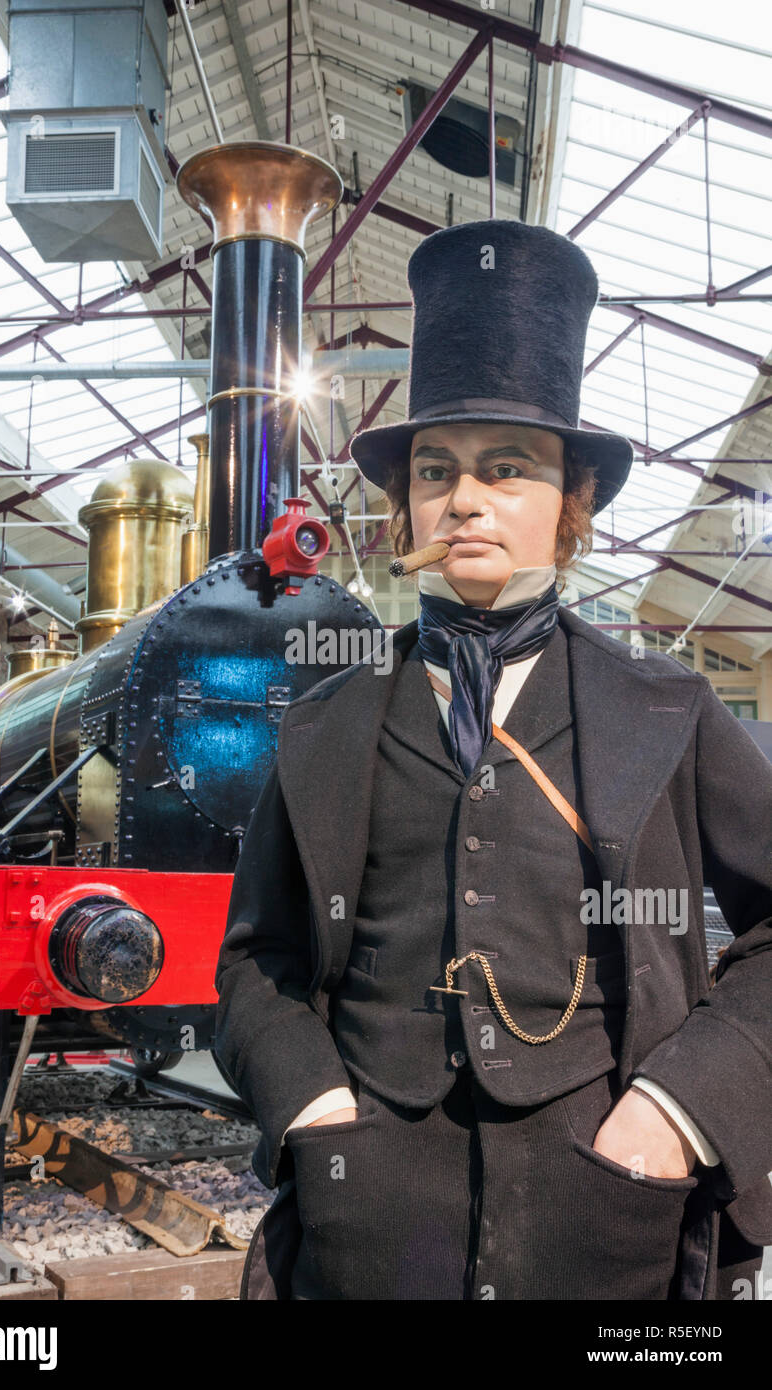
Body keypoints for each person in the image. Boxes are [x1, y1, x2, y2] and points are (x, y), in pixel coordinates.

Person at [214, 220, 772, 1300]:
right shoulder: (326, 722)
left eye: (505, 469)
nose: (463, 498)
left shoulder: (670, 708)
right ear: (406, 507)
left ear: (568, 507)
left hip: (606, 1218)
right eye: (436, 470)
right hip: (363, 1228)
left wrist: (676, 1112)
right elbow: (254, 961)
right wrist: (314, 1114)